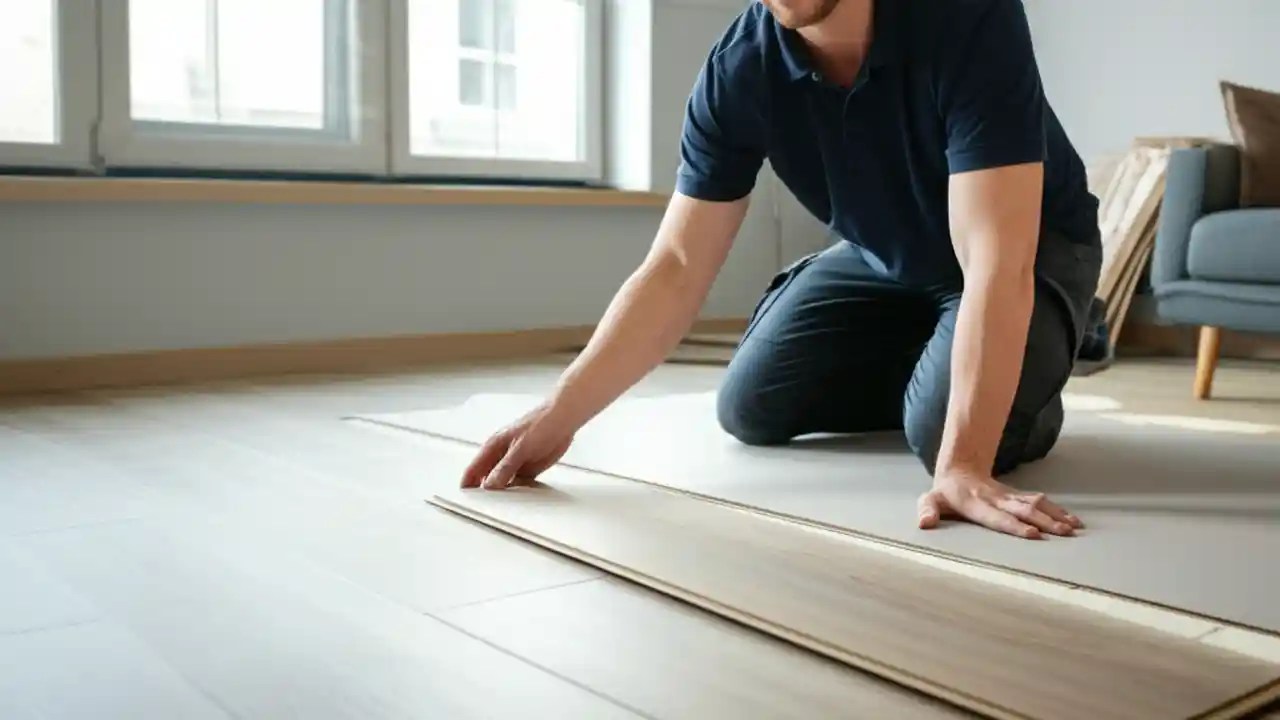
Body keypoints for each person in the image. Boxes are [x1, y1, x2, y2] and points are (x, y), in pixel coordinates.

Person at [461, 0, 1105, 540]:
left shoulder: (967, 15)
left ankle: (1040, 359)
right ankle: (945, 355)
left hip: (1026, 246)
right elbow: (678, 264)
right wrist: (558, 412)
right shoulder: (740, 70)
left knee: (942, 432)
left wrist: (963, 460)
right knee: (750, 408)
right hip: (883, 252)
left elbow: (995, 252)